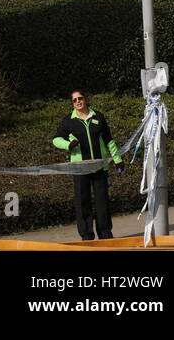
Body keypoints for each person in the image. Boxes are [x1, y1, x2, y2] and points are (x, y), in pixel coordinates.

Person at [52, 89, 123, 241]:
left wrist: (118, 160)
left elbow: (109, 140)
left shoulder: (98, 117)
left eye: (80, 98)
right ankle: (87, 234)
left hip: (99, 166)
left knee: (102, 201)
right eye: (74, 100)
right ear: (72, 103)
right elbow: (56, 139)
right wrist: (68, 145)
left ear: (85, 99)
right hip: (80, 168)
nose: (78, 102)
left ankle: (105, 233)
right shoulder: (69, 120)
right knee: (82, 202)